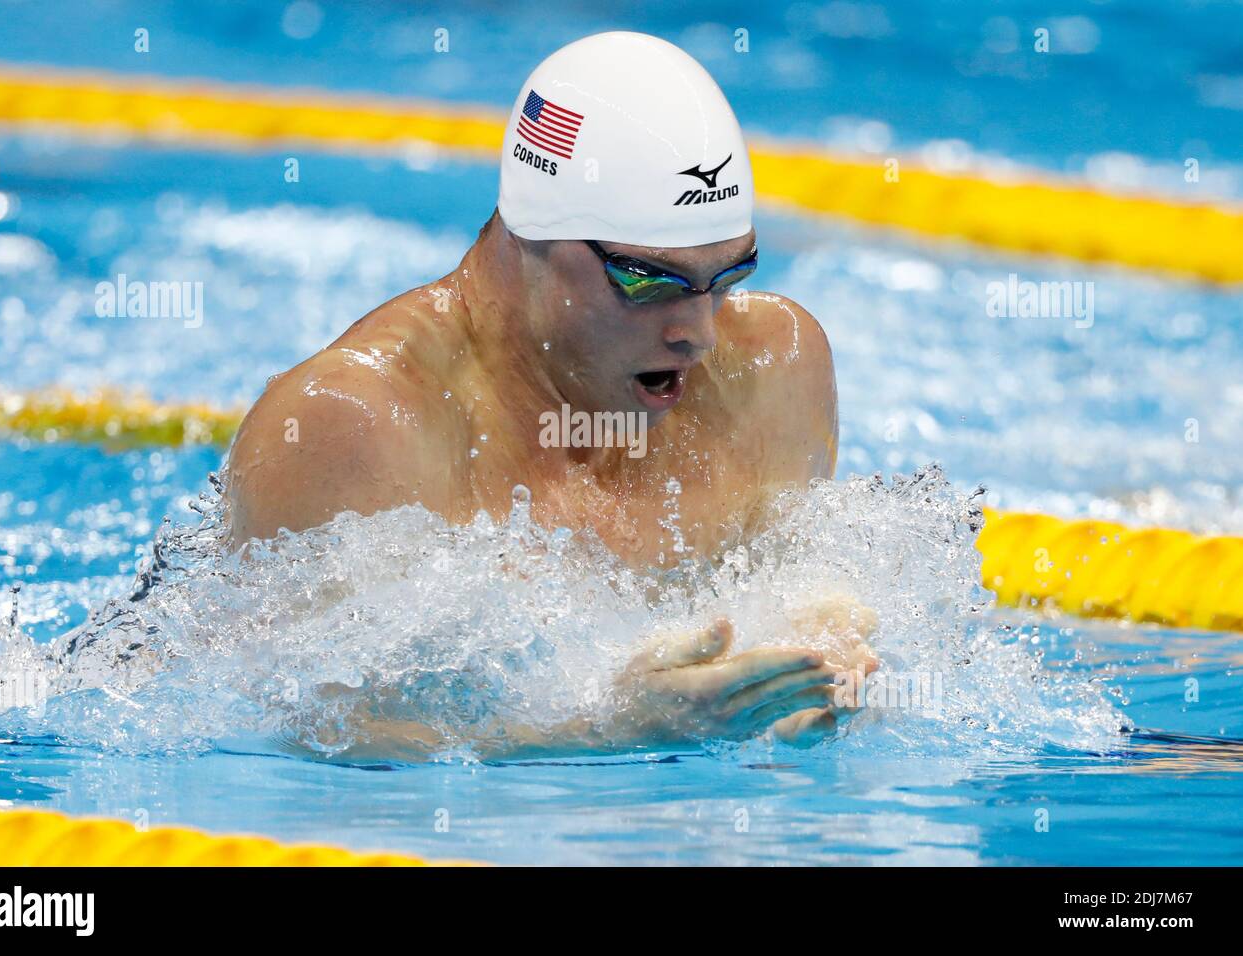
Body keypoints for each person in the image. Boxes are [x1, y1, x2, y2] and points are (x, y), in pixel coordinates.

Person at [227, 32, 878, 759]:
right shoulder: (355, 424)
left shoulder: (773, 368)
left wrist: (811, 656)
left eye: (729, 278)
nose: (700, 334)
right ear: (531, 236)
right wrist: (602, 733)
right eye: (650, 281)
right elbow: (314, 741)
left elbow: (797, 579)